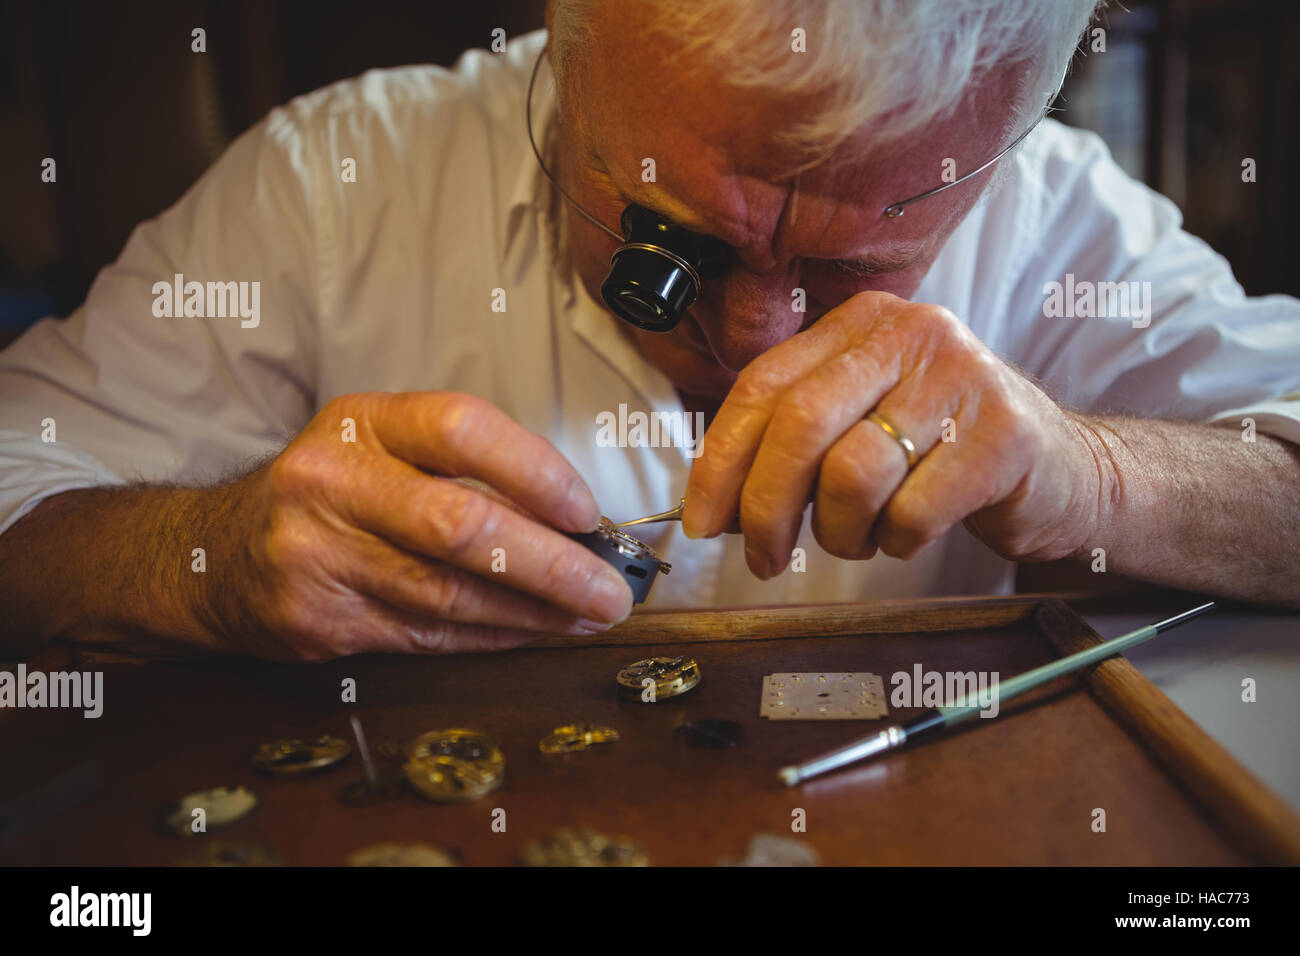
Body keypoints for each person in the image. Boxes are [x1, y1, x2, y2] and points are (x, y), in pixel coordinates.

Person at [2, 0, 1297, 662]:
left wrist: (1101, 476)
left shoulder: (1069, 225)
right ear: (566, 54)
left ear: (997, 147)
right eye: (667, 243)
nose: (752, 331)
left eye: (852, 266)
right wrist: (214, 558)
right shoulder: (330, 185)